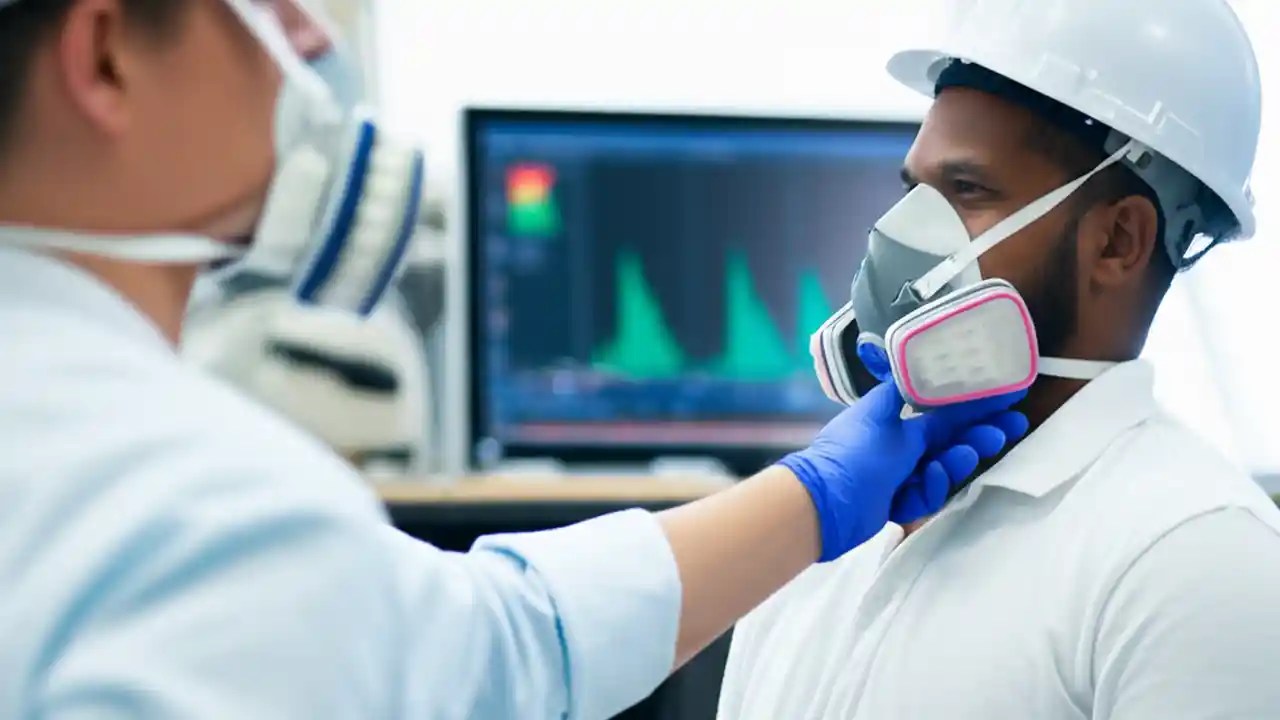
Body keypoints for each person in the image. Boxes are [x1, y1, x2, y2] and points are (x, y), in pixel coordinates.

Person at [0, 1, 1024, 718]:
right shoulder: (209, 518)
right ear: (106, 55)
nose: (311, 36)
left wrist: (814, 496)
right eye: (265, 8)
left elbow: (488, 640)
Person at [717, 1, 1280, 718]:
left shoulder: (1196, 560)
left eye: (968, 191)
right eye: (915, 191)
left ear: (1119, 242)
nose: (900, 234)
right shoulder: (827, 532)